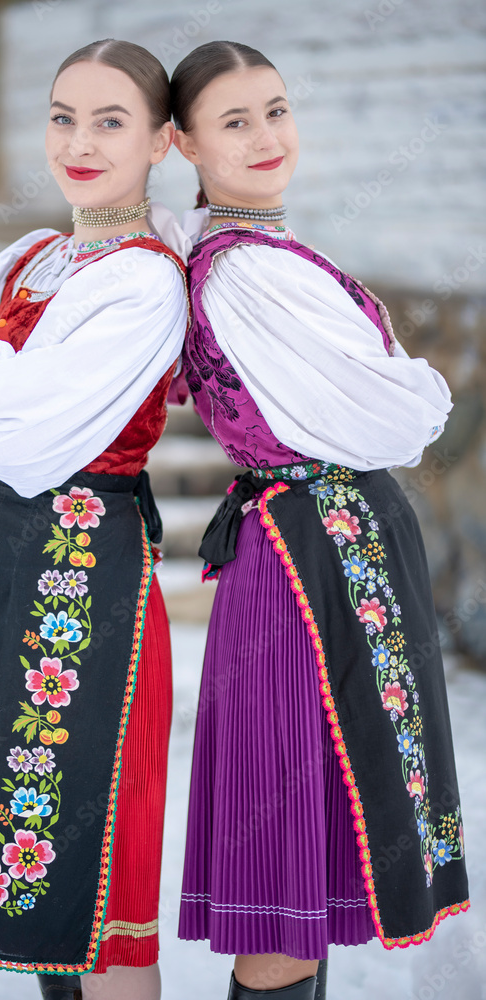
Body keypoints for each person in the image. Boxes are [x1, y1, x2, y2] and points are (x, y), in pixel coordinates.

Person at [0, 39, 189, 1000]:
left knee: (92, 882)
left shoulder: (143, 282)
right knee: (26, 864)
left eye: (110, 121)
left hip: (83, 573)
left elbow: (10, 434)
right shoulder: (32, 256)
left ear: (161, 142)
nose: (79, 141)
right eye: (63, 116)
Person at [170, 40, 469, 1000]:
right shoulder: (253, 273)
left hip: (320, 553)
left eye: (276, 109)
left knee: (314, 867)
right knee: (286, 878)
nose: (266, 136)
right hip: (309, 567)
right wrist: (412, 383)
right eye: (233, 120)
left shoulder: (264, 254)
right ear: (183, 143)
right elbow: (406, 414)